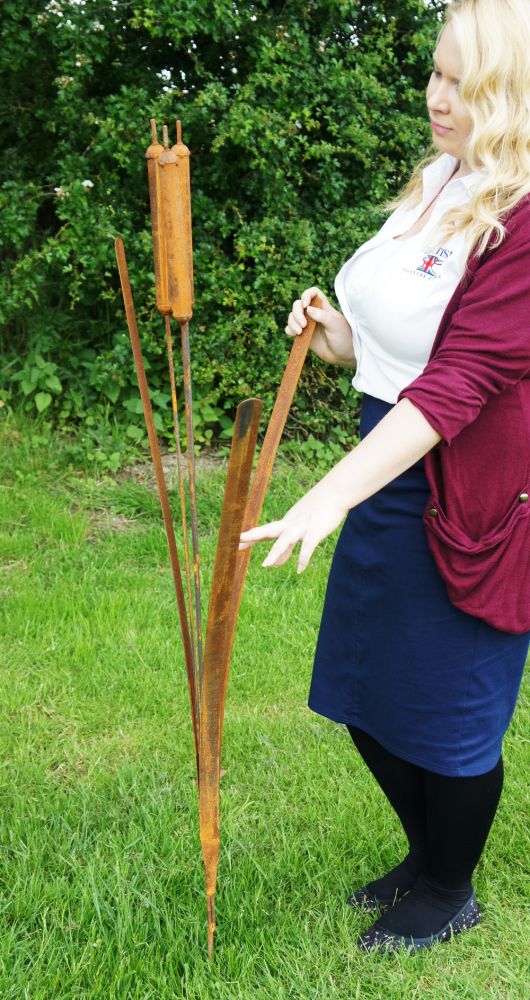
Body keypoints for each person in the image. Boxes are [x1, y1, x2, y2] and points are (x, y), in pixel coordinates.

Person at [240, 0, 530, 954]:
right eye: (437, 73)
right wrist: (339, 339)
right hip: (388, 460)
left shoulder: (522, 217)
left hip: (471, 495)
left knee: (448, 710)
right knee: (367, 695)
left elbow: (460, 385)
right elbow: (404, 348)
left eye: (464, 83)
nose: (437, 98)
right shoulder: (446, 177)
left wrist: (327, 494)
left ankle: (451, 885)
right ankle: (426, 853)